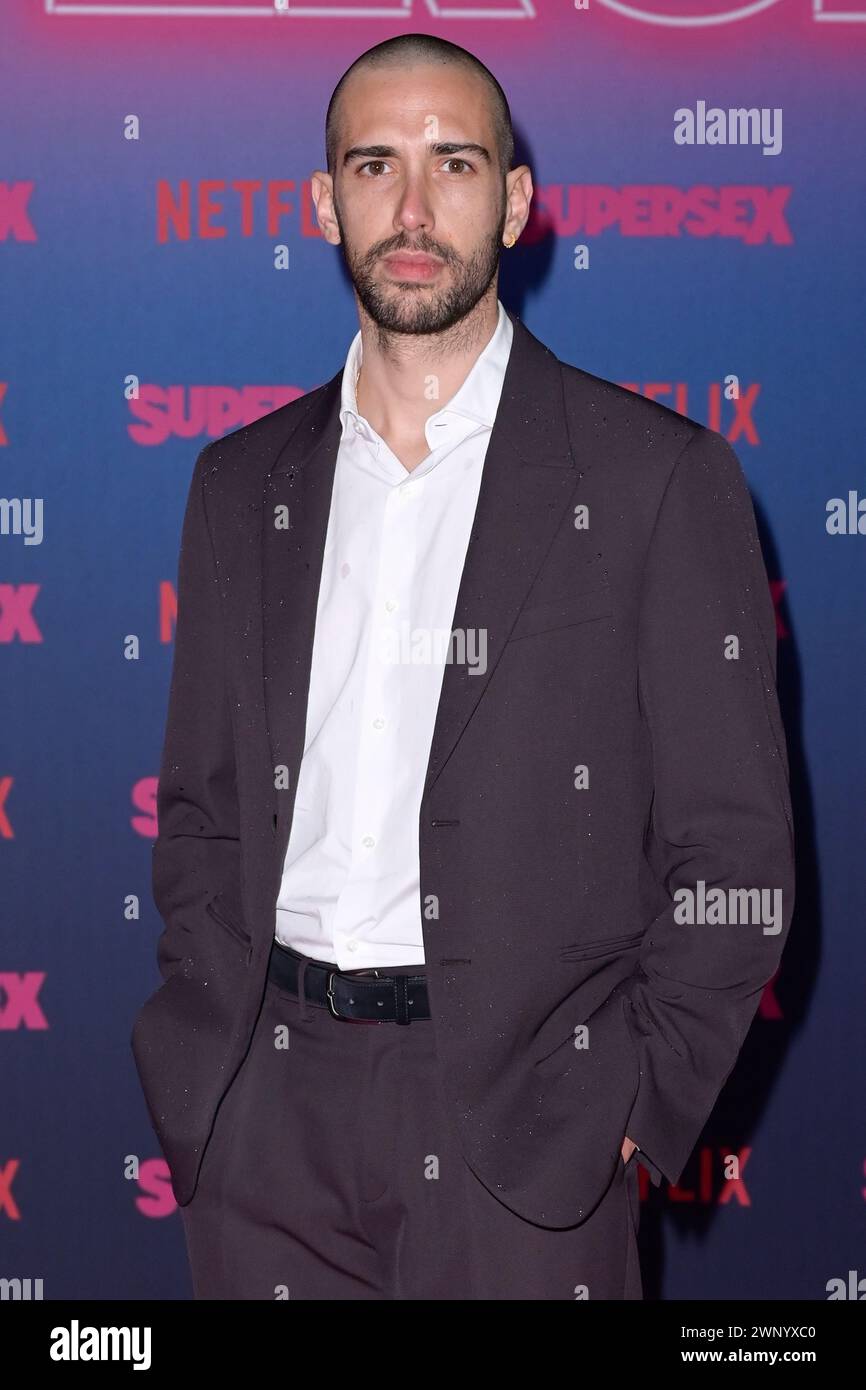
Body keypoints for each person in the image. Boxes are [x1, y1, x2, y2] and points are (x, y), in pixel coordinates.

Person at [131, 33, 795, 1301]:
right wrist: (205, 1069)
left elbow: (734, 853)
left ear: (517, 201)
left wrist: (625, 1103)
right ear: (324, 202)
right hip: (265, 1109)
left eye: (456, 163)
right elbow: (204, 812)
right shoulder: (237, 485)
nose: (416, 208)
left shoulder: (655, 480)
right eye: (377, 165)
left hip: (525, 1128)